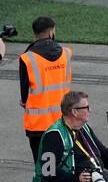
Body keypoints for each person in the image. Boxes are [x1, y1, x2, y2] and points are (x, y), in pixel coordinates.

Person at [18, 17, 72, 161]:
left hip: (38, 124)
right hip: (63, 120)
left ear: (35, 33)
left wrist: (24, 103)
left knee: (42, 163)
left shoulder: (27, 58)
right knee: (61, 161)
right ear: (51, 31)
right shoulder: (66, 54)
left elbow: (24, 94)